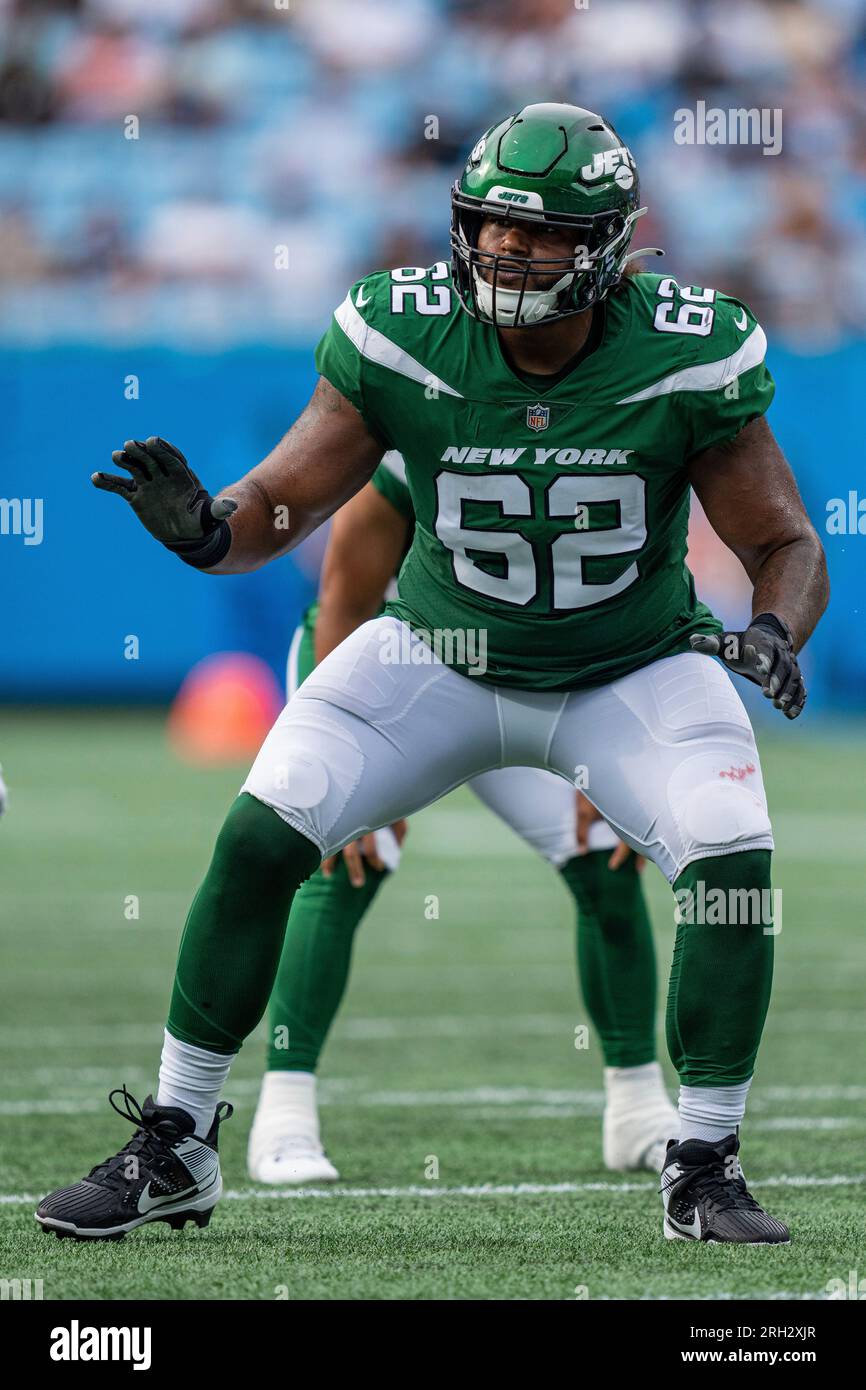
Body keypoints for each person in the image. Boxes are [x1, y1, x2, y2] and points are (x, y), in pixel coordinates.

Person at [38, 103, 827, 1244]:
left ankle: (700, 1161)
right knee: (263, 827)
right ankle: (178, 1137)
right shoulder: (400, 330)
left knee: (731, 852)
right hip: (440, 652)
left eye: (540, 231)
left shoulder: (688, 349)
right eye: (491, 223)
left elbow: (783, 541)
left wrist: (773, 630)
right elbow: (286, 502)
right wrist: (210, 531)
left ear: (608, 246)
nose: (506, 248)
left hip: (631, 663)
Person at [248, 454, 675, 1185]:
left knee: (605, 848)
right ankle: (284, 1113)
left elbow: (628, 601)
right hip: (393, 660)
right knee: (348, 857)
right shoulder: (426, 411)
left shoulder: (613, 421)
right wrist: (347, 746)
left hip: (532, 671)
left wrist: (609, 753)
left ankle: (637, 1106)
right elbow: (347, 590)